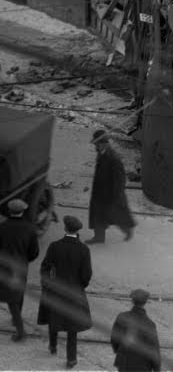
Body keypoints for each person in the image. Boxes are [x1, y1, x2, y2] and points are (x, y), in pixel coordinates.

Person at [37, 216, 92, 369]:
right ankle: (71, 359)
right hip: (74, 291)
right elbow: (86, 274)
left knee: (52, 316)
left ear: (65, 229)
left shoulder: (55, 246)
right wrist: (80, 286)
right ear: (78, 231)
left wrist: (47, 283)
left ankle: (53, 346)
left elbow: (45, 267)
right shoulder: (83, 249)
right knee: (72, 326)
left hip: (55, 289)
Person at [0, 199, 40, 342]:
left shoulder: (2, 227)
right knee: (17, 295)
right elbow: (34, 252)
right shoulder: (30, 229)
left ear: (10, 211)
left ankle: (21, 332)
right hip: (20, 266)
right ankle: (16, 322)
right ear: (23, 211)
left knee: (9, 298)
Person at [88, 130, 135, 244]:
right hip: (100, 192)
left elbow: (120, 179)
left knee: (116, 213)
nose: (95, 146)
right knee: (97, 214)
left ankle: (127, 230)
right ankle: (99, 237)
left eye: (96, 144)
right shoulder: (102, 153)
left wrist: (115, 195)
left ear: (103, 143)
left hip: (110, 193)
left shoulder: (113, 158)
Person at [110, 289, 161, 372]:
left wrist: (119, 352)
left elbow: (114, 339)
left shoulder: (122, 317)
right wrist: (156, 369)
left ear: (132, 301)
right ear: (145, 302)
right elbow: (154, 349)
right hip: (143, 365)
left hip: (124, 362)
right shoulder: (150, 324)